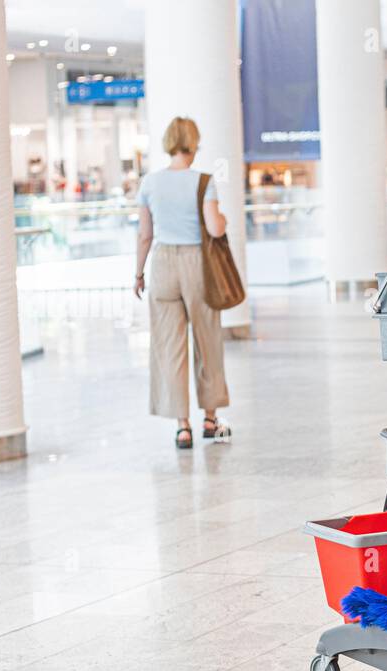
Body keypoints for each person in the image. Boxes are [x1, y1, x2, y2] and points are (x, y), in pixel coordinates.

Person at [133, 116, 232, 449]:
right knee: (207, 342)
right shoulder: (203, 182)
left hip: (162, 263)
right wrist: (224, 218)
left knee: (169, 347)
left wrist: (138, 273)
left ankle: (182, 426)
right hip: (197, 265)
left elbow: (145, 234)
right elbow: (215, 228)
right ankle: (210, 418)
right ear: (194, 143)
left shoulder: (150, 183)